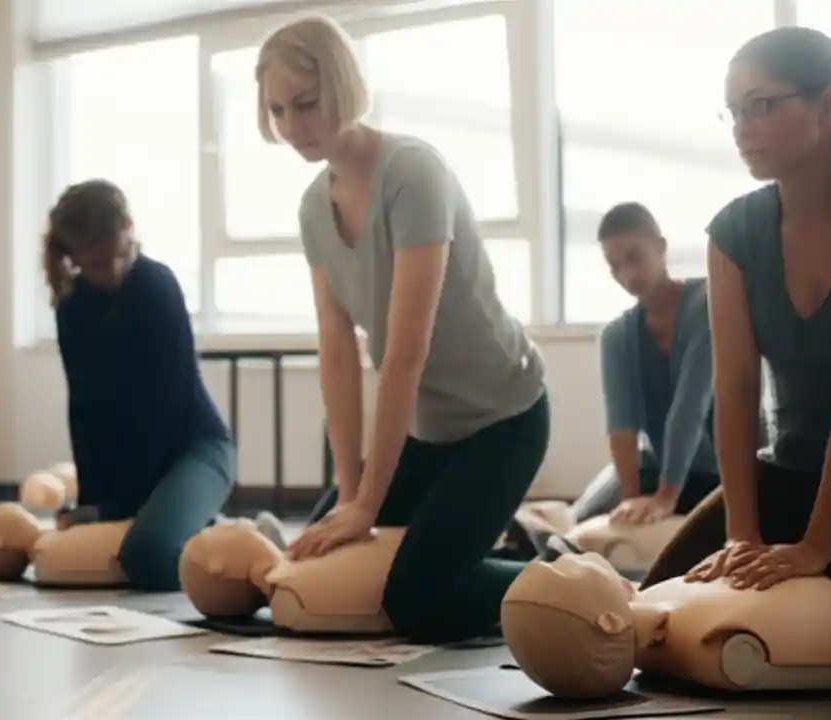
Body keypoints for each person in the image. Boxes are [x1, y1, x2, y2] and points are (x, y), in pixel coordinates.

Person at [648, 27, 831, 692]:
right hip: (794, 469)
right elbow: (738, 387)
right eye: (735, 111)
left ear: (827, 105)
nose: (743, 128)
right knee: (657, 604)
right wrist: (743, 535)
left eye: (763, 106)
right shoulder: (734, 231)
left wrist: (812, 548)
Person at [256, 16, 550, 643]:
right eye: (279, 110)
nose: (292, 126)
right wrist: (350, 491)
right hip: (428, 433)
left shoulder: (413, 172)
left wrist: (366, 506)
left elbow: (404, 352)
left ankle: (555, 576)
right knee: (310, 562)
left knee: (418, 600)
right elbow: (336, 353)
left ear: (342, 86)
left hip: (504, 421)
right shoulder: (314, 206)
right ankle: (487, 546)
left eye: (306, 104)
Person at [44, 179, 235, 592]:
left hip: (195, 450)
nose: (109, 273)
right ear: (72, 256)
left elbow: (162, 411)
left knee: (149, 555)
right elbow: (84, 408)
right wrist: (91, 502)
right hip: (132, 464)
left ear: (129, 229)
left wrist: (116, 508)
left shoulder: (156, 287)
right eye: (94, 265)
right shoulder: (72, 306)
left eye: (116, 256)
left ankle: (243, 538)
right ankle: (213, 527)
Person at [570, 203, 719, 526]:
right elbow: (621, 427)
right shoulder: (616, 335)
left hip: (724, 471)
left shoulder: (710, 303)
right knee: (581, 522)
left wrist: (666, 497)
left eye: (635, 258)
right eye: (615, 266)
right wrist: (632, 499)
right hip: (655, 466)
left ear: (661, 248)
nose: (628, 275)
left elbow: (690, 405)